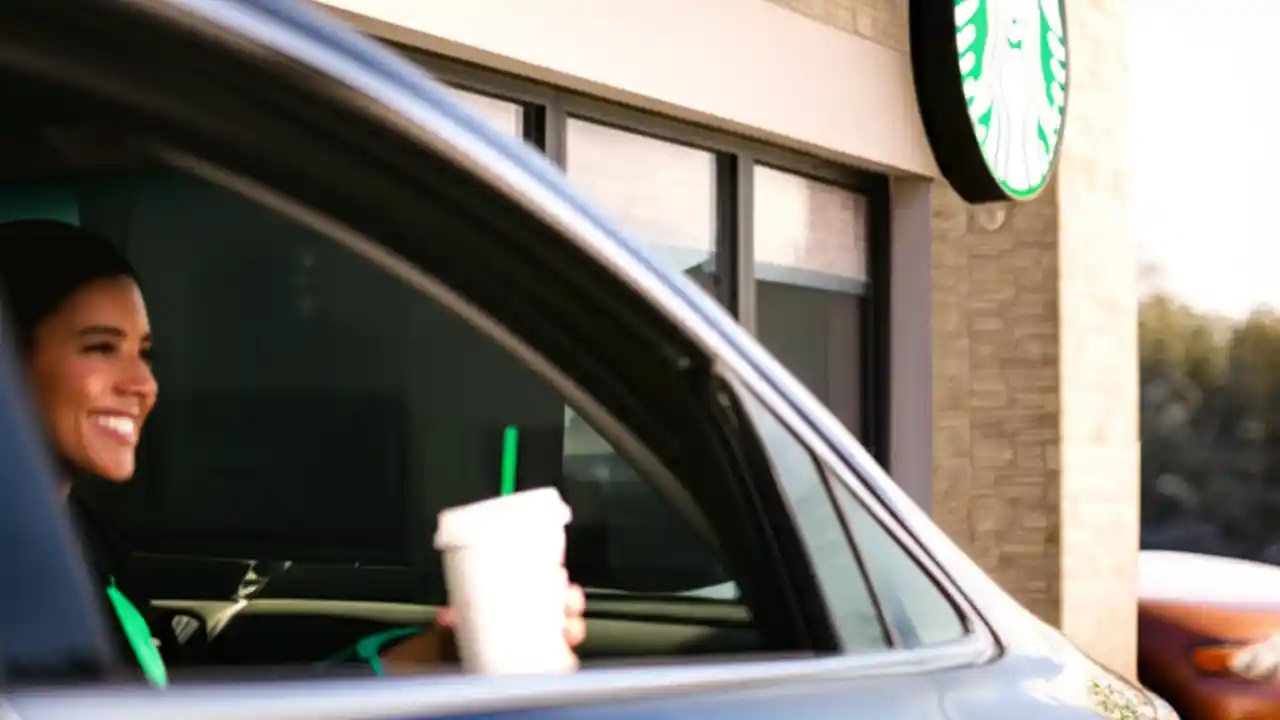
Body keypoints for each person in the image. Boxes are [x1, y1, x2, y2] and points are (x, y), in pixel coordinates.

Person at [0, 218, 586, 684]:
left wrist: (439, 652)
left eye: (145, 353)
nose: (143, 384)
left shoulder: (76, 539)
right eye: (101, 348)